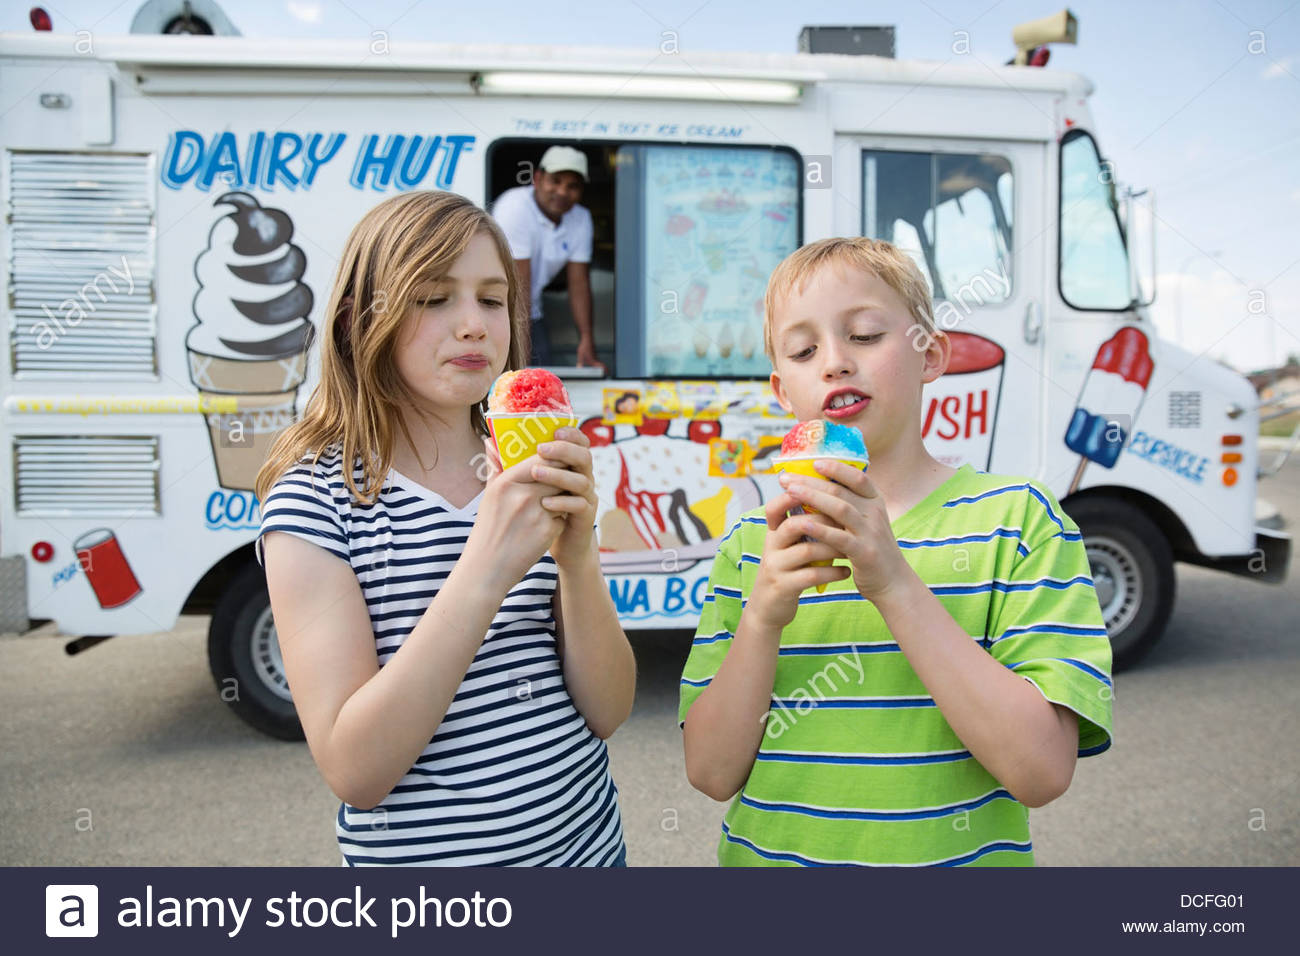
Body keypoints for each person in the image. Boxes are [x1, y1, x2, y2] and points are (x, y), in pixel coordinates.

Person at [679, 237, 1113, 866]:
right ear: (782, 390)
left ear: (930, 354)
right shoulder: (754, 545)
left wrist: (894, 585)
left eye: (864, 335)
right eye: (804, 350)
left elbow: (1042, 771)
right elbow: (712, 772)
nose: (833, 362)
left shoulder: (1018, 522)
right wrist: (762, 619)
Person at [254, 191, 635, 866]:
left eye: (492, 300)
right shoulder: (317, 505)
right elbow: (356, 771)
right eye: (433, 298)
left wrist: (578, 563)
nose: (473, 325)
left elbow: (608, 709)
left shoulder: (525, 468)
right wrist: (484, 572)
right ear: (356, 321)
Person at [491, 145, 605, 371]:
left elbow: (579, 283)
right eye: (556, 180)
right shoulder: (515, 208)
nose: (563, 191)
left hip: (532, 312)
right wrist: (518, 362)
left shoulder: (580, 218)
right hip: (499, 311)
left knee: (543, 383)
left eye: (572, 186)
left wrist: (586, 340)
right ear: (538, 178)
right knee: (513, 385)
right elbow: (518, 288)